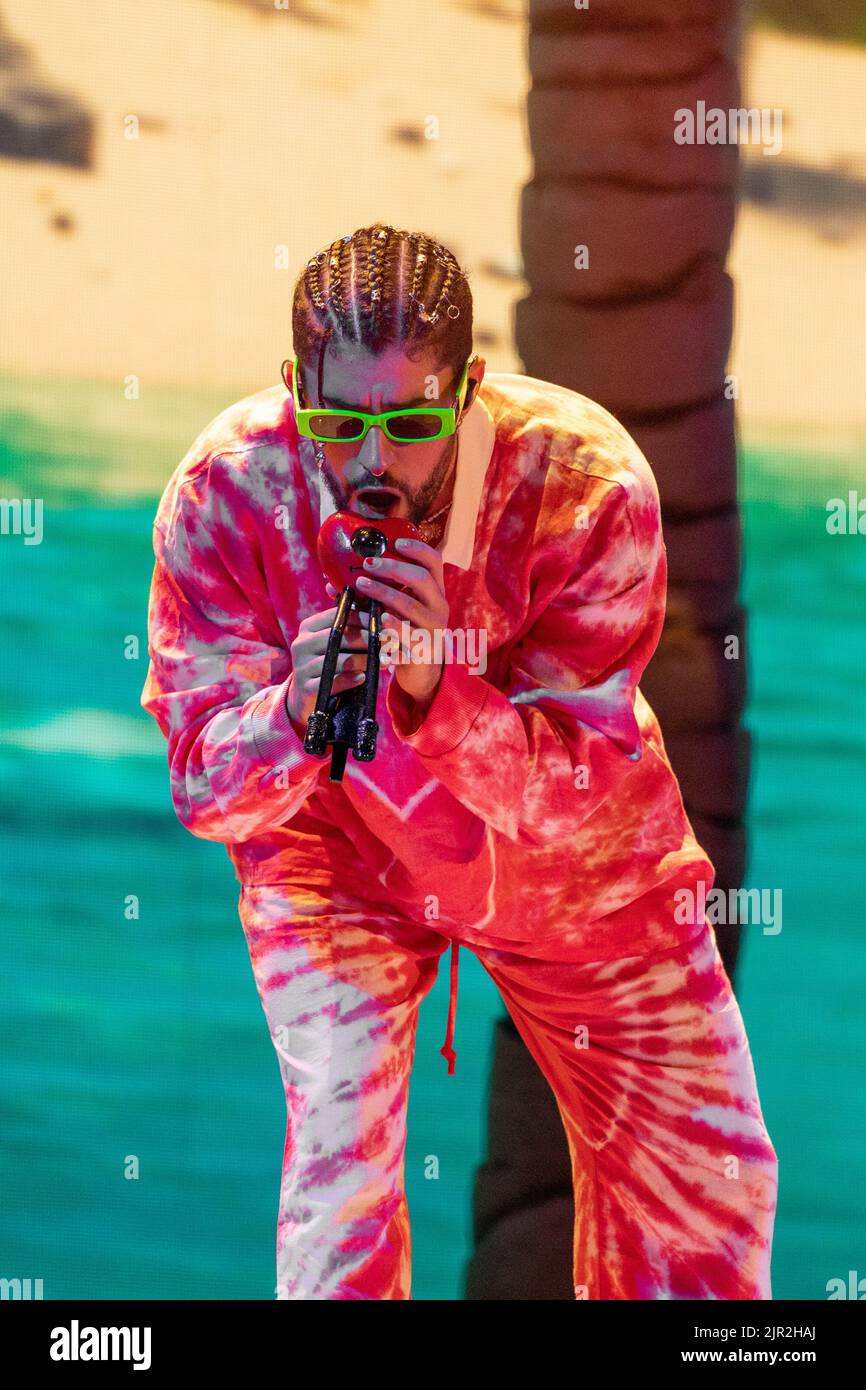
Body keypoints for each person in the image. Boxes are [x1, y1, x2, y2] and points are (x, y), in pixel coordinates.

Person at [140, 222, 778, 1301]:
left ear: (469, 391)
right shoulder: (226, 494)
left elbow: (581, 787)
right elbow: (206, 790)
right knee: (336, 1176)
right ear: (296, 393)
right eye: (339, 422)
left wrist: (441, 698)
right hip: (334, 855)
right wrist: (294, 712)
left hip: (577, 872)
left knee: (704, 1186)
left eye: (413, 422)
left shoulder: (584, 482)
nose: (374, 461)